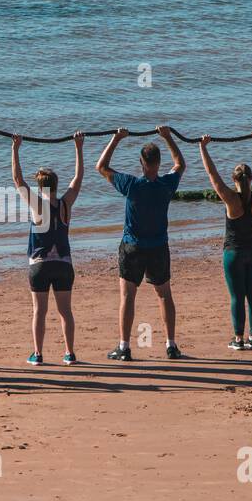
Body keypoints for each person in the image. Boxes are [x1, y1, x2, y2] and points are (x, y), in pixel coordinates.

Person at [95, 125, 185, 360]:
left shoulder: (132, 185)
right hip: (157, 247)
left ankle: (124, 347)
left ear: (141, 163)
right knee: (164, 294)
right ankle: (171, 345)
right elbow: (180, 164)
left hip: (132, 247)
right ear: (157, 162)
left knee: (127, 296)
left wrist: (116, 139)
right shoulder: (166, 185)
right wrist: (168, 137)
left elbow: (101, 167)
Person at [11, 131, 84, 364]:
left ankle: (38, 354)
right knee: (65, 311)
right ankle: (69, 353)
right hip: (63, 264)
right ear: (55, 185)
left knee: (39, 311)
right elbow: (78, 179)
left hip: (40, 265)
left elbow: (18, 181)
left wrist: (15, 148)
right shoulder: (65, 204)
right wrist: (78, 147)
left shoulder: (36, 204)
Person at [199, 132, 252, 349]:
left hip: (234, 253)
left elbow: (212, 174)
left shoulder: (231, 199)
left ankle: (238, 339)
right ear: (250, 179)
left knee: (237, 297)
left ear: (234, 179)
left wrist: (203, 147)